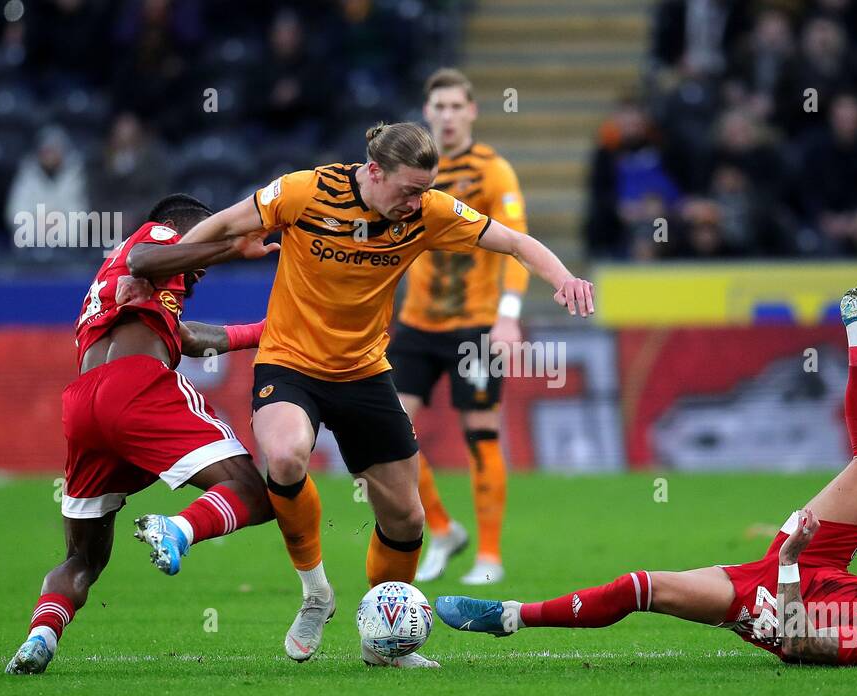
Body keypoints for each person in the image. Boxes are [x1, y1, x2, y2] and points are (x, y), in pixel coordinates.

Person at [438, 287, 857, 667]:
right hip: (823, 564)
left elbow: (797, 641)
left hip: (776, 600)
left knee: (642, 587)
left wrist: (786, 563)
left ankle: (508, 616)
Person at [143, 122, 594, 668]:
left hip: (364, 372)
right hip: (289, 362)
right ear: (374, 171)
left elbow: (515, 242)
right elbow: (219, 225)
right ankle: (316, 594)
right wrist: (157, 280)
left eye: (425, 189)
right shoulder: (302, 192)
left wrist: (563, 277)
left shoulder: (429, 211)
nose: (416, 201)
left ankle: (384, 643)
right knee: (284, 456)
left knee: (406, 519)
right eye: (408, 189)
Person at [4, 194, 277, 675]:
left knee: (83, 557)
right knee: (255, 492)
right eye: (202, 250)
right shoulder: (159, 237)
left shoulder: (121, 286)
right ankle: (178, 529)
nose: (200, 276)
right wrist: (229, 244)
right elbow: (145, 257)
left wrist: (266, 331)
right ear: (185, 229)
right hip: (138, 388)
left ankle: (39, 637)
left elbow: (190, 338)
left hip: (84, 405)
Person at [390, 68, 527, 586]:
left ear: (472, 111)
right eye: (438, 107)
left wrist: (508, 317)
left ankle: (489, 556)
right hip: (418, 325)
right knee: (392, 432)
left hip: (476, 326)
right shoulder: (406, 173)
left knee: (481, 434)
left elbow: (517, 243)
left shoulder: (494, 171)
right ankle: (443, 529)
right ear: (427, 113)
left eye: (456, 107)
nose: (447, 116)